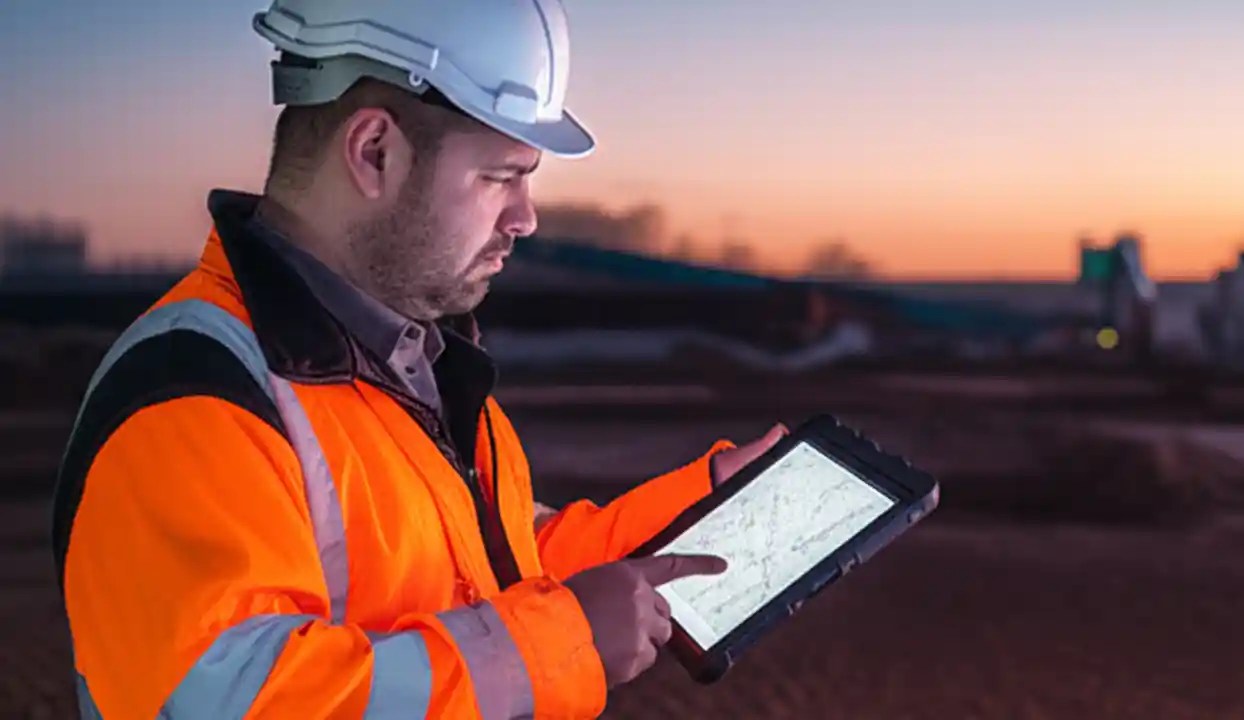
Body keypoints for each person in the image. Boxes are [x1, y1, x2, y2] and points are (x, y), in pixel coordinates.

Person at [50, 1, 788, 717]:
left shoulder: (413, 363)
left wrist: (704, 502)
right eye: (501, 175)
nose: (525, 218)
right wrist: (563, 641)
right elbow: (244, 700)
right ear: (374, 152)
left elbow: (494, 566)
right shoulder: (195, 396)